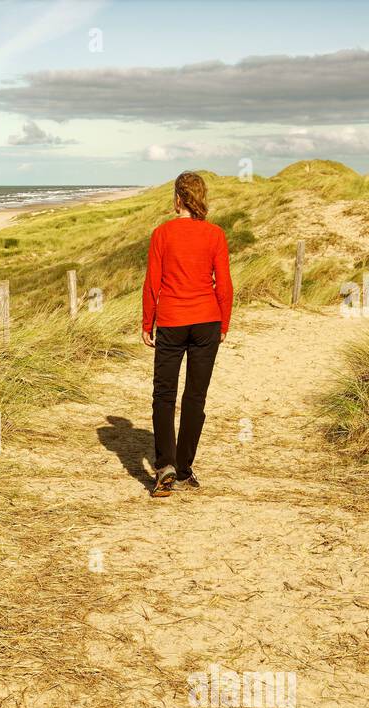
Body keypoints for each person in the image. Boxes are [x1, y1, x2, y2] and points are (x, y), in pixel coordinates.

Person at [141, 171, 233, 498]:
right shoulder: (215, 235)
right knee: (195, 397)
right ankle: (183, 470)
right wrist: (224, 324)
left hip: (172, 321)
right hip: (207, 321)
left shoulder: (161, 234)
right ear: (200, 198)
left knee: (164, 394)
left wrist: (146, 323)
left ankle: (165, 465)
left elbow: (153, 283)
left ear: (178, 199)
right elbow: (224, 284)